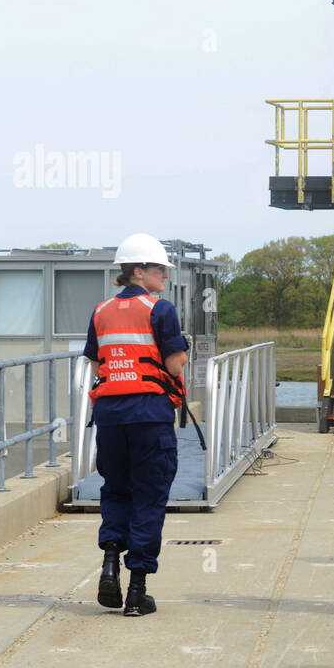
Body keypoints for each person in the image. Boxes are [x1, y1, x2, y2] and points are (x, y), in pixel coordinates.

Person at [85, 233, 189, 617]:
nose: (164, 274)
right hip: (150, 416)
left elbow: (97, 367)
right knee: (149, 497)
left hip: (111, 418)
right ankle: (136, 592)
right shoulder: (161, 309)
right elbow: (176, 365)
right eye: (159, 268)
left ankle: (109, 564)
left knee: (115, 490)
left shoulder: (100, 311)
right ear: (138, 270)